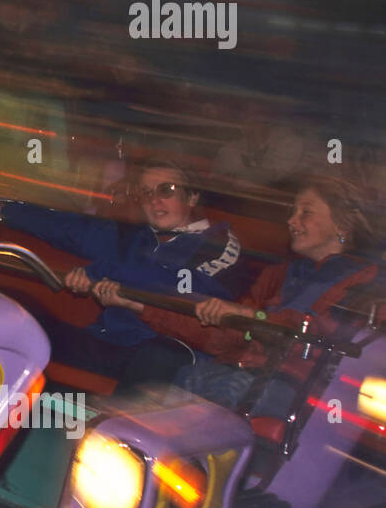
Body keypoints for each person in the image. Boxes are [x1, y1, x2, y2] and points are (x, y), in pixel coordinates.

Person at [95, 175, 380, 417]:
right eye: (293, 211)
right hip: (241, 375)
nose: (292, 221)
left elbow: (323, 334)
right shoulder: (278, 275)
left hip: (305, 393)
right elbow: (223, 335)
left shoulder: (365, 282)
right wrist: (140, 306)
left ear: (341, 225)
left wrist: (254, 318)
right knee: (160, 368)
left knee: (222, 390)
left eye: (306, 212)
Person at [0, 159, 247, 385]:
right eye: (146, 193)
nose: (154, 201)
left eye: (167, 190)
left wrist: (99, 274)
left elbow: (179, 286)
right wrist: (8, 210)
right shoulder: (134, 236)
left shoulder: (217, 244)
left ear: (192, 196)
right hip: (112, 339)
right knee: (26, 328)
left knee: (155, 360)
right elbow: (73, 230)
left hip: (174, 349)